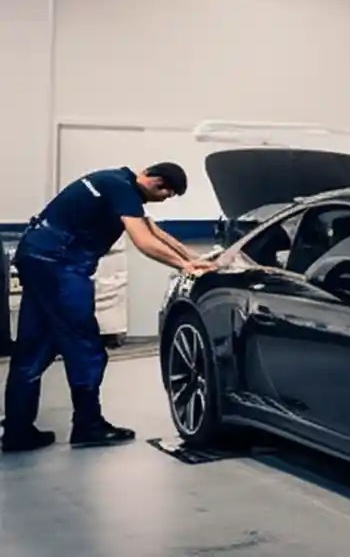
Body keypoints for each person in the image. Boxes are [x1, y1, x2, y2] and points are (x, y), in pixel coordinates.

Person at [1, 163, 215, 453]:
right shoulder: (122, 189)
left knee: (33, 347)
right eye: (168, 194)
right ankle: (88, 426)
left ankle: (17, 431)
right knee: (86, 348)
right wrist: (185, 266)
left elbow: (155, 231)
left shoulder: (114, 181)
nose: (165, 200)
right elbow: (143, 241)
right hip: (60, 267)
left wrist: (194, 257)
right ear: (158, 183)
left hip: (37, 259)